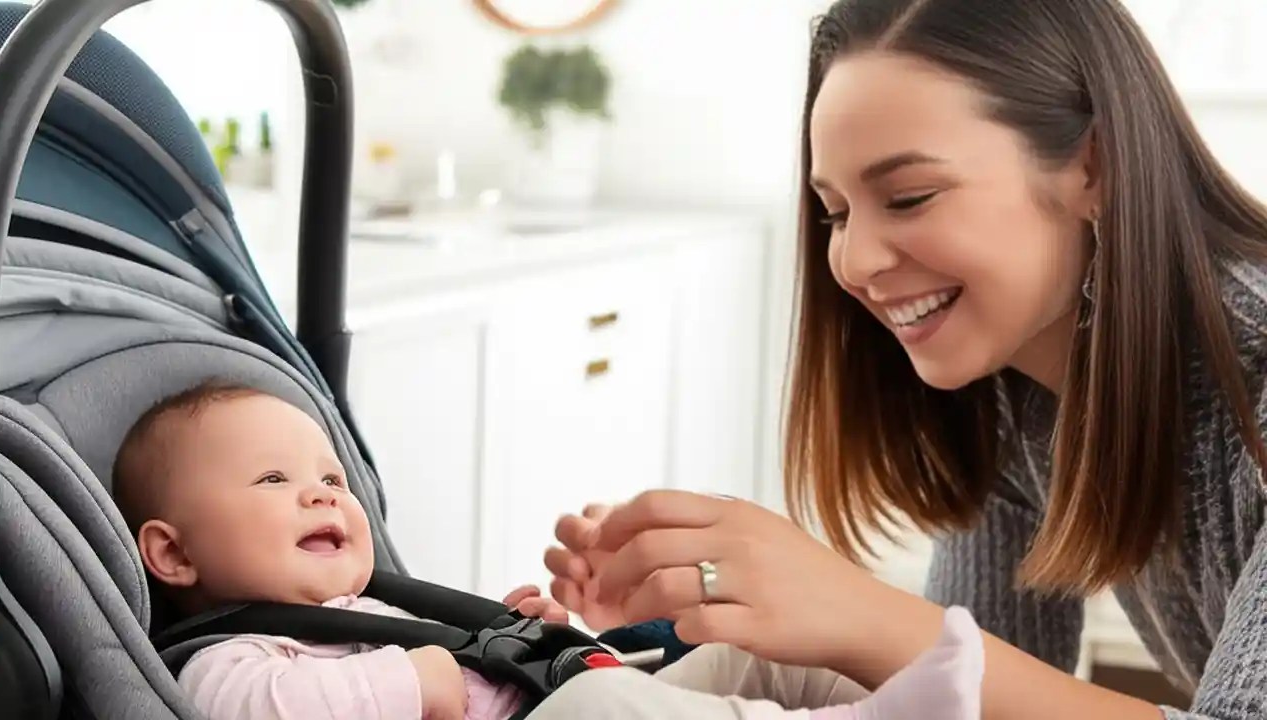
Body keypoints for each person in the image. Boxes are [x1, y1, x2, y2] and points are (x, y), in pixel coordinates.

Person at [543, 2, 1267, 720]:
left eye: (909, 196)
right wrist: (684, 632)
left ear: (1093, 165)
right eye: (836, 213)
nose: (854, 262)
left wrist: (859, 612)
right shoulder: (1017, 390)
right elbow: (975, 696)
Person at [111, 381, 987, 720]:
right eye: (272, 481)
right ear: (173, 554)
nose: (323, 492)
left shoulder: (368, 609)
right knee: (606, 712)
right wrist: (410, 679)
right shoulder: (224, 654)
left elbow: (458, 666)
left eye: (332, 476)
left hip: (563, 698)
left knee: (734, 658)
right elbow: (260, 711)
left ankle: (865, 692)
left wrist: (519, 636)